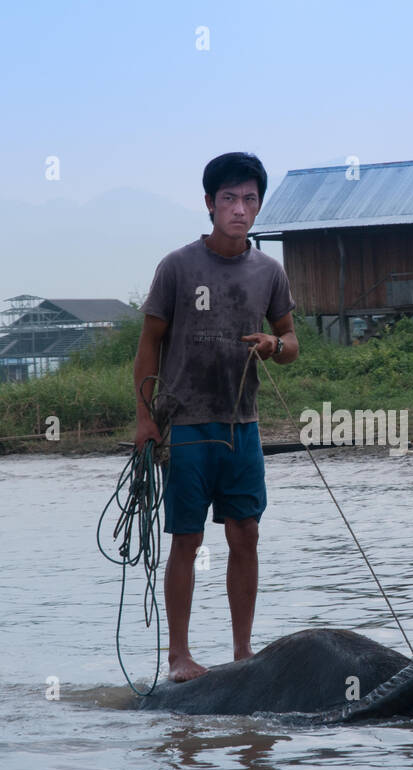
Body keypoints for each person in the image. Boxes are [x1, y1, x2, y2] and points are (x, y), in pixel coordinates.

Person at [132, 152, 298, 682]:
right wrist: (144, 418)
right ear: (209, 204)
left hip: (241, 425)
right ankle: (179, 656)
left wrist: (275, 343)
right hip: (185, 424)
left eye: (249, 199)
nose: (239, 209)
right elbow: (149, 344)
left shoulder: (269, 271)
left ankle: (242, 652)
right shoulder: (177, 267)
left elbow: (292, 342)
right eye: (228, 199)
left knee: (245, 534)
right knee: (187, 537)